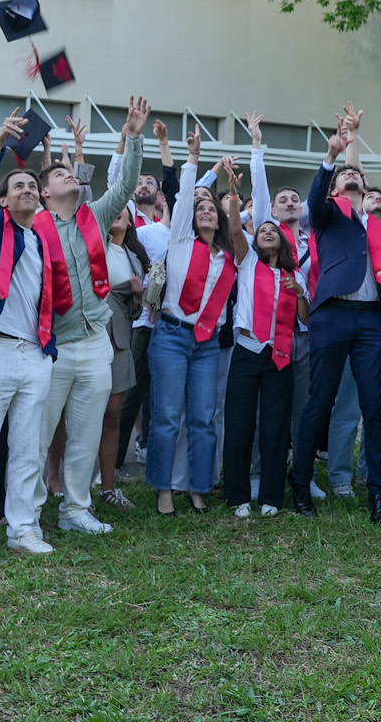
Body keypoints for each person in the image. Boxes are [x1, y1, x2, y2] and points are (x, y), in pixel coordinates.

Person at [34, 100, 148, 534]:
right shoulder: (35, 226)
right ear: (46, 192)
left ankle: (76, 510)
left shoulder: (95, 217)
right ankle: (28, 512)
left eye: (72, 174)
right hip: (54, 345)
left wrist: (133, 138)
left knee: (84, 431)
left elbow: (125, 186)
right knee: (42, 432)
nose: (71, 177)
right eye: (61, 174)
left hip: (96, 341)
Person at [0, 110, 68, 559]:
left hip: (34, 355)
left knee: (28, 448)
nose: (24, 189)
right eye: (16, 186)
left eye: (30, 185)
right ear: (6, 202)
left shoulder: (45, 241)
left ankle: (23, 527)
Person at [288, 105, 381, 526]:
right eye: (344, 178)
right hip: (332, 316)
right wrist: (332, 156)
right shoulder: (326, 215)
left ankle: (376, 494)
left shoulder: (379, 224)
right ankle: (300, 483)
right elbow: (315, 199)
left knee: (375, 408)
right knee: (320, 402)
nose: (351, 178)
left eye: (356, 175)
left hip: (371, 321)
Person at [146, 129, 244, 515]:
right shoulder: (180, 240)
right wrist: (193, 158)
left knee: (204, 418)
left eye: (211, 209)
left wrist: (233, 198)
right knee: (168, 417)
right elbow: (185, 196)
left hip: (206, 344)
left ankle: (199, 486)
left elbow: (239, 229)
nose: (204, 210)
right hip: (171, 335)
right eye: (200, 208)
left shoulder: (228, 257)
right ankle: (164, 487)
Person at [223, 115, 311, 518]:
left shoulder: (293, 275)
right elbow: (254, 204)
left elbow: (305, 318)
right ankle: (239, 495)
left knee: (276, 428)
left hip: (280, 356)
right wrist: (255, 149)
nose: (269, 231)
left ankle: (273, 497)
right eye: (263, 228)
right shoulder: (247, 263)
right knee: (241, 424)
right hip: (246, 351)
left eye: (274, 230)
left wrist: (299, 295)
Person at [97, 205, 149, 512]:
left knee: (112, 416)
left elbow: (134, 313)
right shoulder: (91, 243)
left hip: (118, 341)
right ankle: (55, 481)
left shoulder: (134, 260)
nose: (116, 212)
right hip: (85, 336)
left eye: (123, 210)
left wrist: (140, 295)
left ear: (130, 221)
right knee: (69, 416)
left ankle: (108, 487)